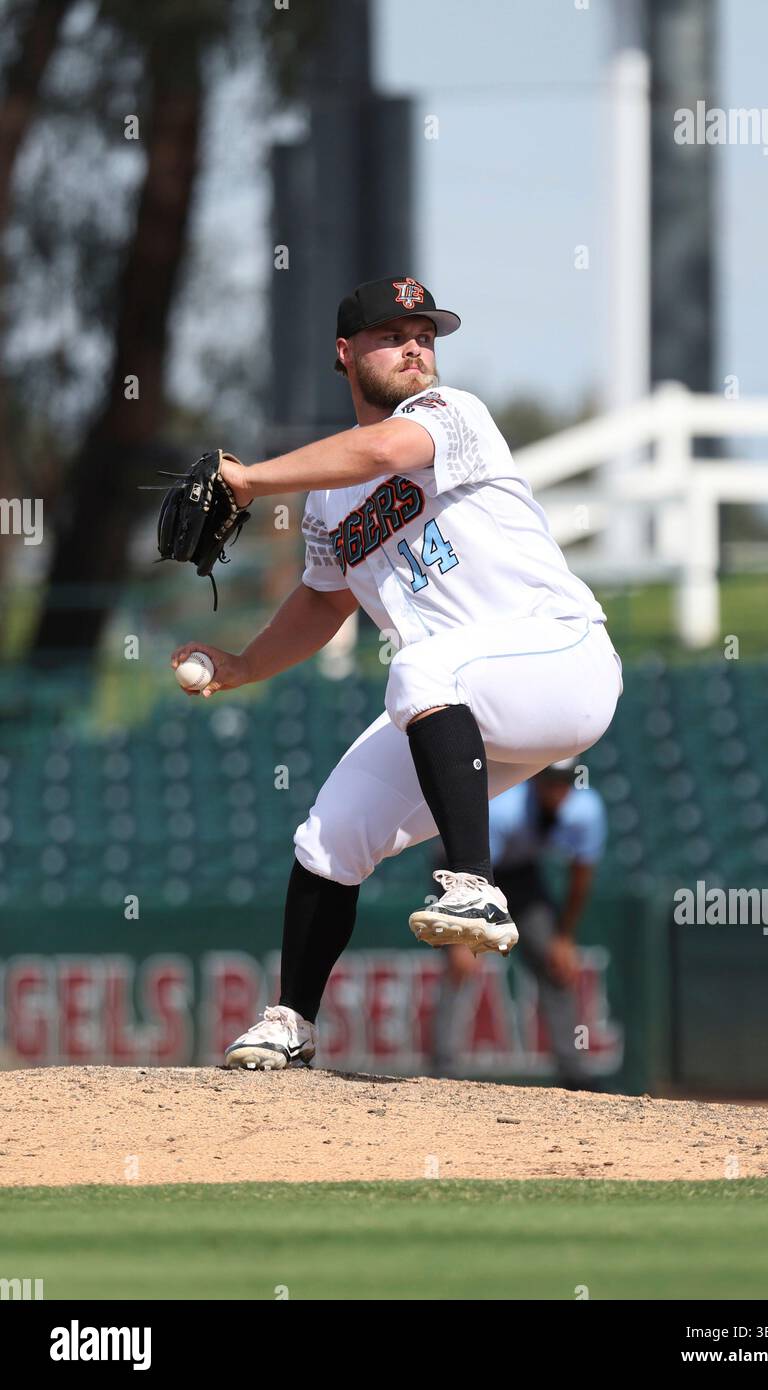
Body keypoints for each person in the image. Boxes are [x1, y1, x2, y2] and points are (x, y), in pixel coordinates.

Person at [169, 275, 623, 1070]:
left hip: (561, 658)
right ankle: (292, 1021)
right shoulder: (329, 508)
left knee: (420, 666)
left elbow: (380, 451)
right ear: (346, 353)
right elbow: (320, 605)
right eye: (392, 332)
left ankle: (476, 886)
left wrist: (248, 478)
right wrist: (241, 665)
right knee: (329, 834)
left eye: (426, 332)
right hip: (464, 702)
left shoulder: (452, 415)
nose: (415, 345)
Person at [432, 759, 607, 1090]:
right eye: (550, 781)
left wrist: (564, 936)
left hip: (521, 872)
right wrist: (458, 940)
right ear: (535, 779)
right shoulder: (504, 810)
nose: (557, 790)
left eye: (564, 782)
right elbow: (466, 875)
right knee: (461, 962)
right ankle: (444, 1070)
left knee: (555, 959)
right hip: (462, 869)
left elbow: (581, 876)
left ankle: (573, 1073)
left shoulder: (586, 810)